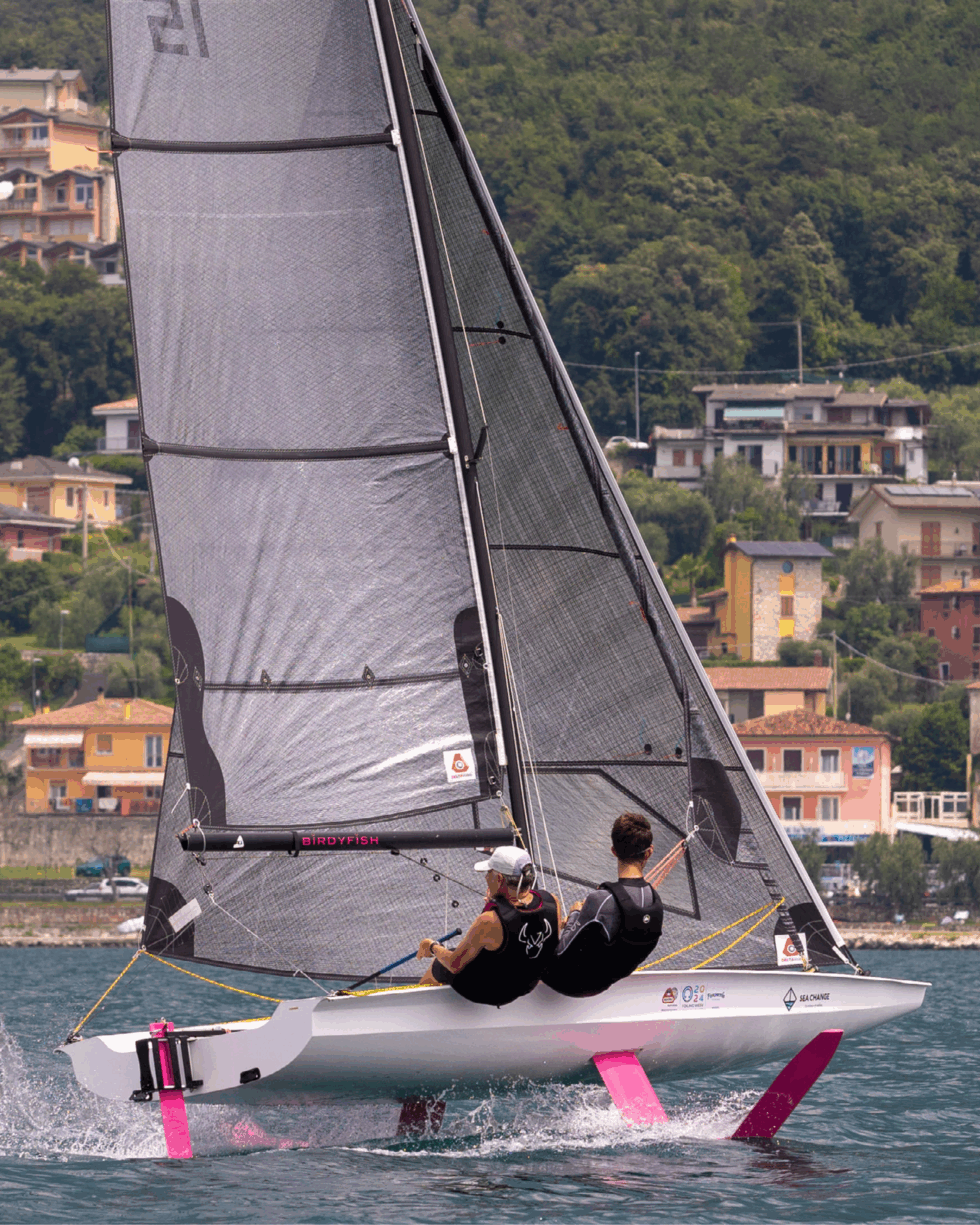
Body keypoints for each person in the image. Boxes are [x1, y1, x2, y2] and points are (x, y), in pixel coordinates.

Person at [417, 845, 560, 1006]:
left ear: (499, 879)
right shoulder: (551, 901)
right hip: (527, 985)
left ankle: (418, 1009)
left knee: (441, 963)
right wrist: (496, 904)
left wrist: (432, 946)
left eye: (488, 873)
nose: (486, 878)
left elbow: (455, 964)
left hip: (495, 993)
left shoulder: (490, 920)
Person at [540, 811, 663, 998]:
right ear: (649, 852)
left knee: (548, 901)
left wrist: (575, 914)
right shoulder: (655, 902)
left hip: (564, 983)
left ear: (613, 851)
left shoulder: (601, 900)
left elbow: (561, 951)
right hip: (602, 984)